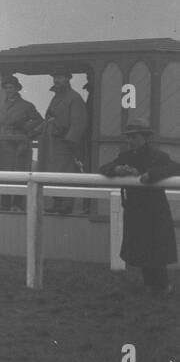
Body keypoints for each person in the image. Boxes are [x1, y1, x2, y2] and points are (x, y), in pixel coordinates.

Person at [98, 121, 178, 297]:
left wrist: (152, 175)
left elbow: (175, 167)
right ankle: (150, 285)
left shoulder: (158, 156)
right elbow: (104, 168)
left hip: (155, 210)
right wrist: (117, 169)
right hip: (135, 209)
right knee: (142, 248)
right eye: (128, 137)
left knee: (157, 250)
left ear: (145, 137)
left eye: (134, 137)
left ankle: (163, 287)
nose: (130, 140)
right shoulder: (124, 156)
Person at [0, 76, 43, 211]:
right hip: (4, 146)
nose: (8, 90)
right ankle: (5, 205)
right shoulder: (1, 106)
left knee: (20, 175)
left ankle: (18, 205)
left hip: (20, 146)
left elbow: (39, 121)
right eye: (6, 88)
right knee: (5, 175)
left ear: (17, 89)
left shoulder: (27, 106)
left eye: (11, 87)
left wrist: (25, 127)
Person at [35, 70, 88, 214]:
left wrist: (70, 142)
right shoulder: (56, 98)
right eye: (54, 77)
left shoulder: (74, 98)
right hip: (51, 142)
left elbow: (79, 122)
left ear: (67, 79)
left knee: (66, 172)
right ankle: (57, 202)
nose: (56, 80)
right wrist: (34, 131)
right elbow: (48, 119)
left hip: (65, 144)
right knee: (53, 173)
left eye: (59, 77)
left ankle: (66, 204)